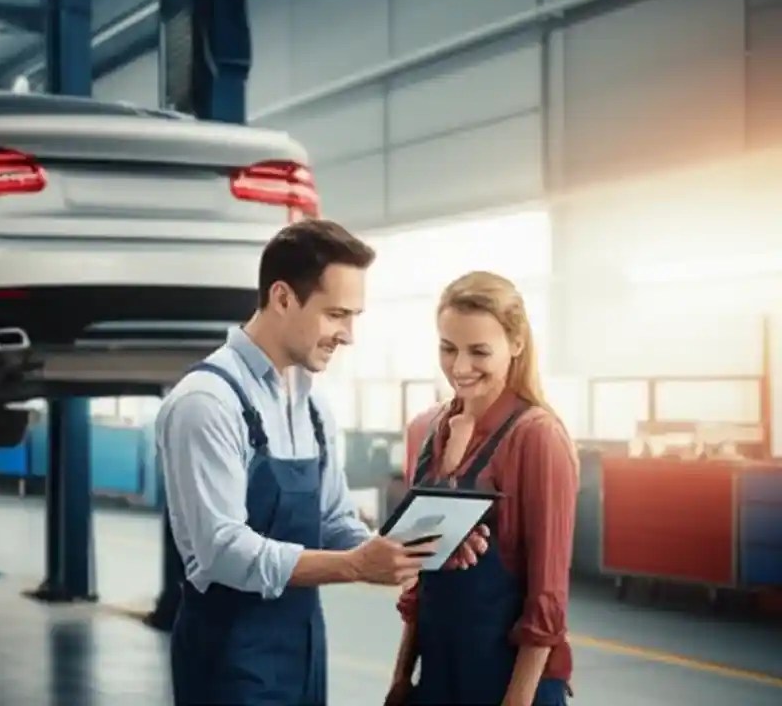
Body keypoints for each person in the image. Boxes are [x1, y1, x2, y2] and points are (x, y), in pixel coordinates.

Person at [157, 219, 485, 706]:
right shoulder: (206, 403)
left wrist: (406, 550)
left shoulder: (312, 406)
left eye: (354, 316)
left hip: (304, 649)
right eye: (336, 314)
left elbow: (331, 520)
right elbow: (221, 550)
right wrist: (354, 566)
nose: (348, 335)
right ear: (282, 298)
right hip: (228, 661)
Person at [385, 271, 579, 706]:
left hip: (509, 683)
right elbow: (421, 581)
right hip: (438, 676)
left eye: (479, 351)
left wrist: (516, 701)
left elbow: (547, 599)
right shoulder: (428, 430)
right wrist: (401, 678)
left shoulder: (537, 437)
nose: (459, 367)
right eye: (448, 348)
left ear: (516, 343)